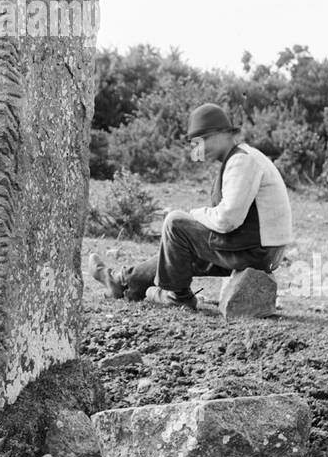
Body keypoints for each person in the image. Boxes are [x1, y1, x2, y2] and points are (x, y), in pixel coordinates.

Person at [89, 102, 293, 308]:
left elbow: (227, 219)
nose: (198, 149)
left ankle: (178, 297)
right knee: (178, 250)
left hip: (256, 251)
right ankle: (122, 281)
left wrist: (194, 214)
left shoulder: (241, 161)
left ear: (220, 133)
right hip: (260, 249)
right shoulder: (241, 157)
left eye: (200, 142)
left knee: (175, 223)